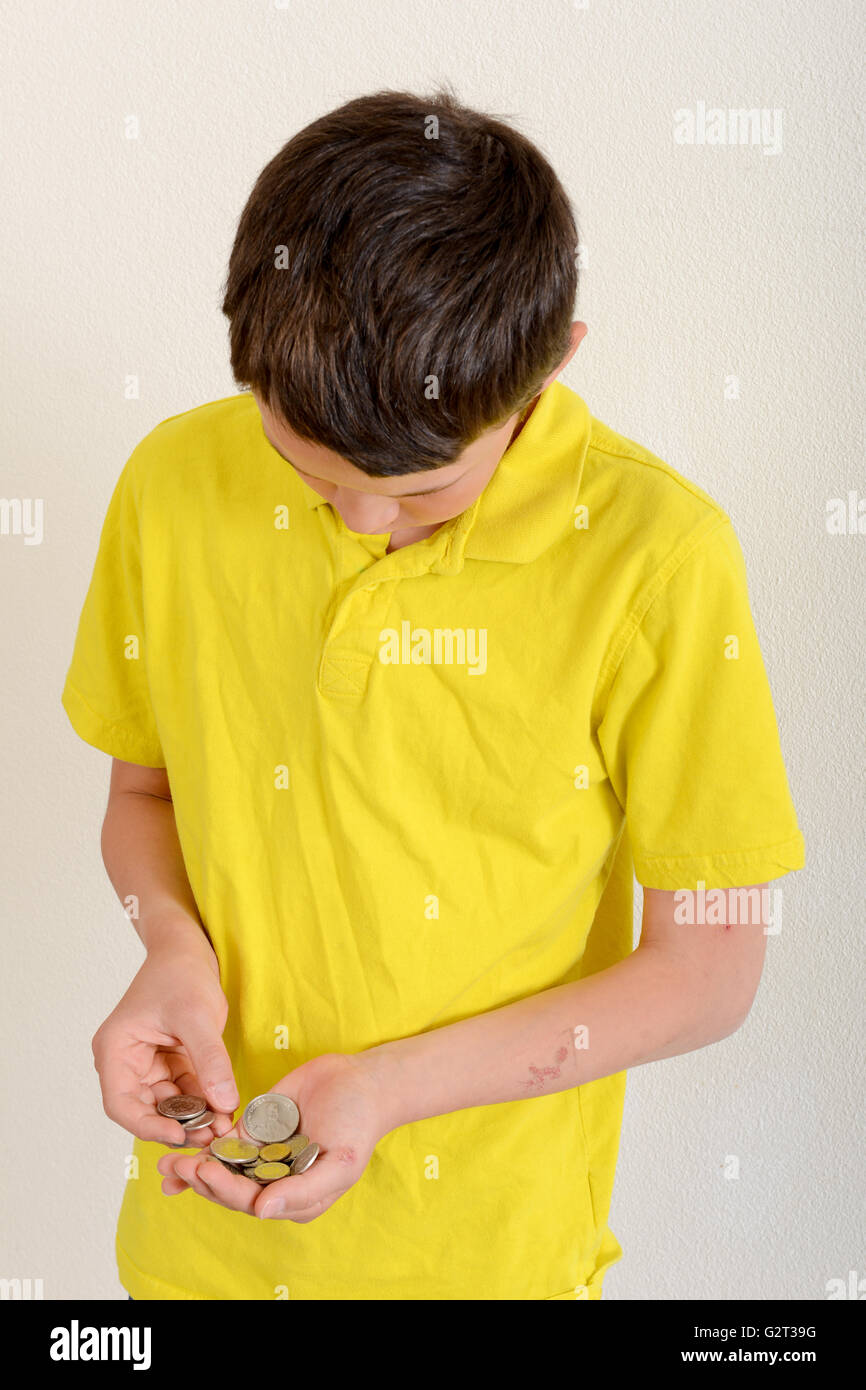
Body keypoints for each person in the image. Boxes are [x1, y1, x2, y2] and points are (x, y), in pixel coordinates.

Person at [61, 88, 805, 1301]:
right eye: (306, 468)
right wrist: (170, 949)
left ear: (548, 363)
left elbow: (709, 966)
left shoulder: (656, 557)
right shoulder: (171, 483)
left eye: (420, 489)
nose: (361, 517)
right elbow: (144, 795)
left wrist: (389, 1086)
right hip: (195, 1253)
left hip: (491, 1262)